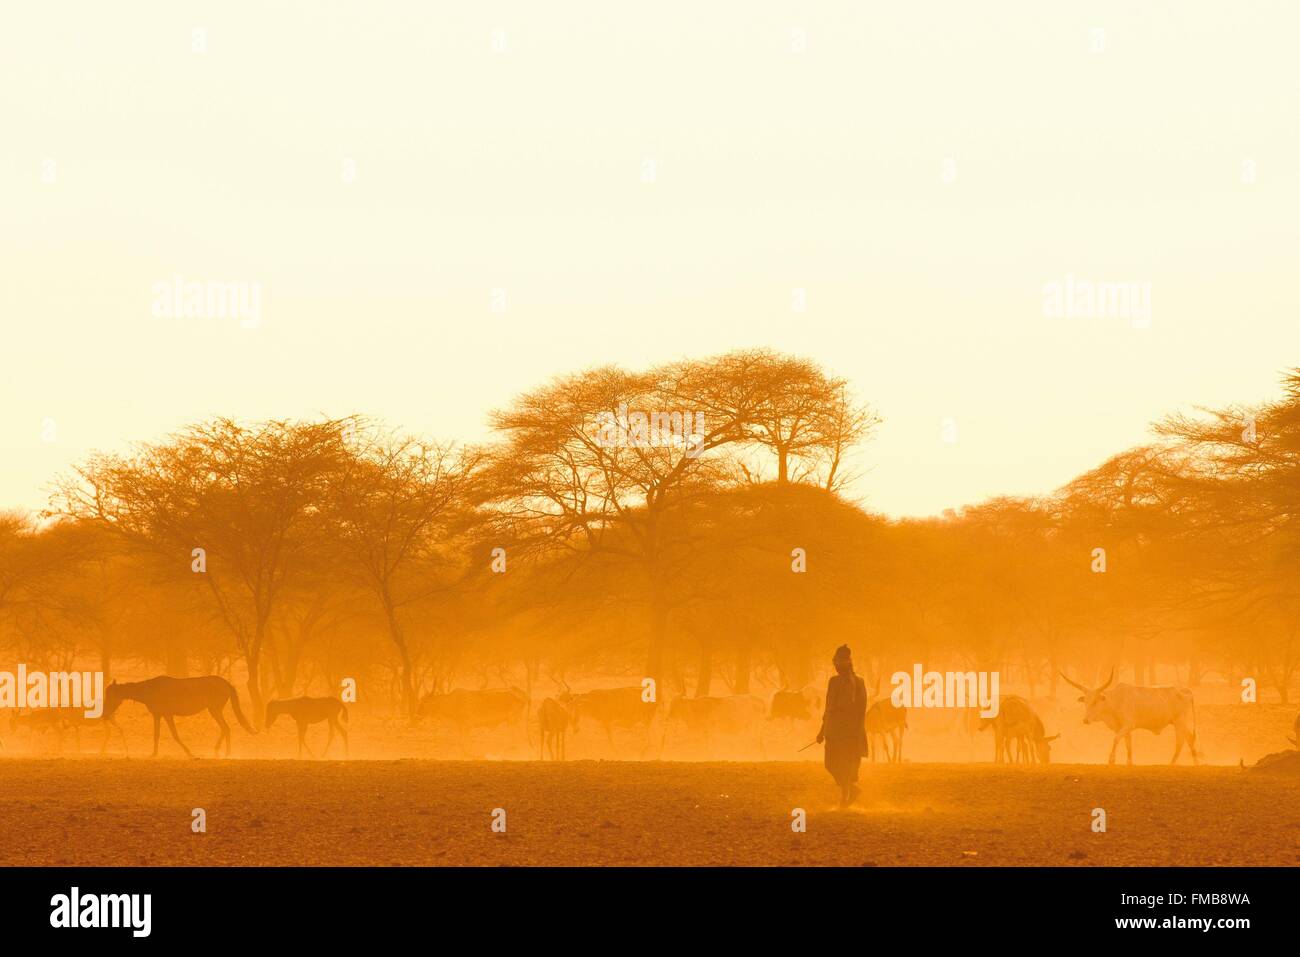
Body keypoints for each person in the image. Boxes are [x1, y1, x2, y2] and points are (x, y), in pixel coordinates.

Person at [816, 644, 869, 807]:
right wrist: (822, 731)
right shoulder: (833, 682)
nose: (837, 667)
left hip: (850, 732)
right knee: (830, 764)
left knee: (846, 766)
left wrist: (857, 733)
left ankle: (844, 799)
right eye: (836, 664)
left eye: (839, 664)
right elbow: (828, 708)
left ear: (847, 664)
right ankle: (851, 791)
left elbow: (861, 710)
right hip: (833, 731)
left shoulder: (858, 683)